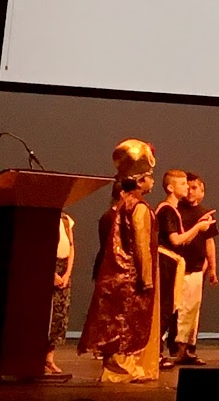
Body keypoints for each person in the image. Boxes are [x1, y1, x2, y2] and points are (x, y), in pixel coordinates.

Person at [78, 139, 160, 384]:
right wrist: (146, 278)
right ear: (140, 180)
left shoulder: (120, 207)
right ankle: (124, 370)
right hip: (132, 275)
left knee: (117, 323)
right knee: (128, 324)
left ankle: (119, 368)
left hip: (118, 273)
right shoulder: (140, 208)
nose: (152, 182)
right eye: (149, 177)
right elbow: (141, 246)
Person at [173, 173, 218, 366]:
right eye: (186, 187)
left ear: (202, 191)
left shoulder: (205, 213)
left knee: (192, 310)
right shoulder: (175, 211)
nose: (189, 191)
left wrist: (212, 268)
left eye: (194, 188)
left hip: (197, 269)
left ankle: (189, 348)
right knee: (178, 310)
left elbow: (209, 242)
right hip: (177, 268)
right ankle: (176, 349)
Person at [46, 210, 76, 375]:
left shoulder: (65, 219)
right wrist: (52, 274)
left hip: (63, 271)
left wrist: (67, 274)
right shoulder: (43, 218)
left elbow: (71, 248)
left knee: (60, 314)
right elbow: (41, 247)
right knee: (46, 315)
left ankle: (49, 357)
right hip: (49, 269)